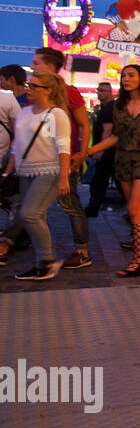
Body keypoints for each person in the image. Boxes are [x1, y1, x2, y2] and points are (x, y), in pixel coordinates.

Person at [85, 64, 140, 276]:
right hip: (122, 160)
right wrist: (88, 151)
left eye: (131, 75)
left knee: (135, 207)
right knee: (136, 209)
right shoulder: (119, 105)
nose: (126, 79)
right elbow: (115, 136)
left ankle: (137, 259)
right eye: (124, 75)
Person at [0, 73, 71, 280]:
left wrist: (64, 176)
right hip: (25, 171)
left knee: (29, 214)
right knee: (35, 216)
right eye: (28, 84)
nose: (28, 88)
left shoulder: (56, 114)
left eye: (34, 85)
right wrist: (8, 171)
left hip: (49, 171)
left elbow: (63, 147)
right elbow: (16, 146)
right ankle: (43, 263)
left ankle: (47, 261)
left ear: (48, 90)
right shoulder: (25, 113)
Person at [31, 48, 92, 270]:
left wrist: (81, 152)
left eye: (36, 63)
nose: (33, 67)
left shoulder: (69, 92)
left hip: (65, 159)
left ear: (48, 66)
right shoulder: (36, 93)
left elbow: (85, 125)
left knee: (70, 204)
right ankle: (41, 252)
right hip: (40, 159)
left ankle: (82, 251)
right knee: (34, 207)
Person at [85, 81, 117, 216]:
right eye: (99, 90)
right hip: (107, 151)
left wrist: (99, 150)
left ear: (110, 93)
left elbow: (107, 131)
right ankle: (93, 207)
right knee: (99, 181)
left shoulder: (110, 108)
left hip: (109, 152)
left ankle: (93, 208)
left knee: (99, 181)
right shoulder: (103, 109)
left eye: (104, 90)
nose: (100, 93)